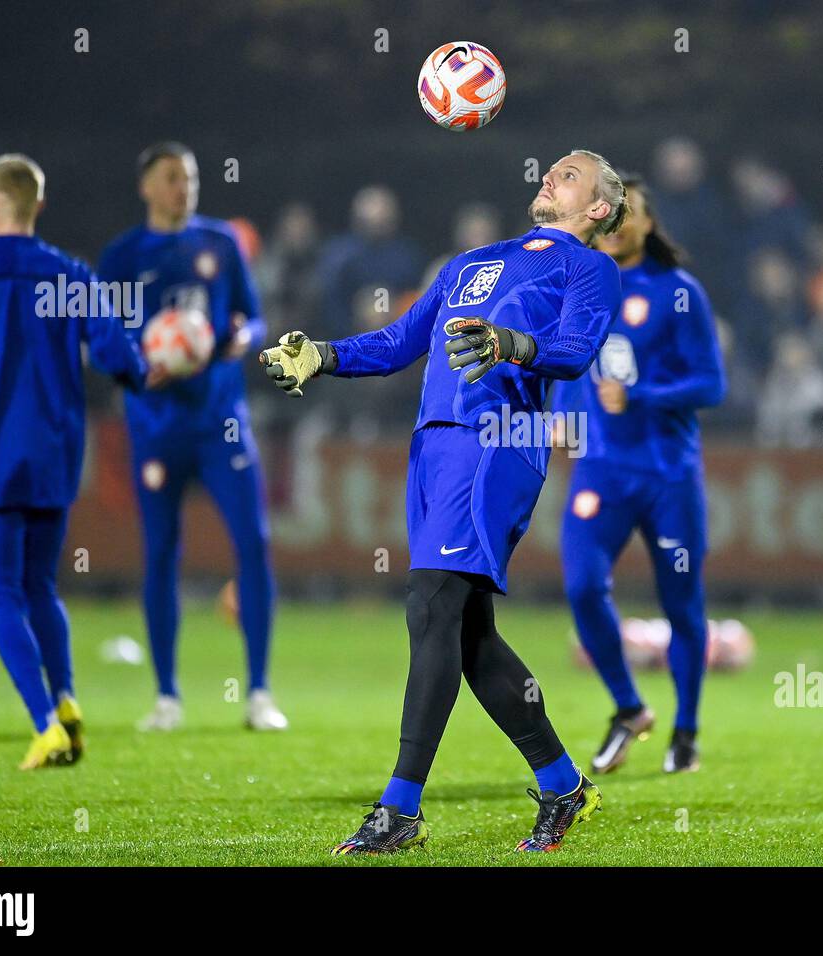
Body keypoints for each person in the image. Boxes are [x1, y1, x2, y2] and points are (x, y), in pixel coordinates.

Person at [260, 149, 627, 854]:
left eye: (571, 175)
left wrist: (510, 343)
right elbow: (401, 342)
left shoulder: (587, 266)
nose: (551, 176)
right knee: (467, 636)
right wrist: (323, 356)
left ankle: (399, 811)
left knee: (431, 606)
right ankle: (563, 785)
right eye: (552, 169)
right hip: (433, 446)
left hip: (496, 442)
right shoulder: (468, 262)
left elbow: (576, 351)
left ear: (598, 209)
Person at [0, 154, 147, 768]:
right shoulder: (69, 274)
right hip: (52, 455)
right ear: (37, 205)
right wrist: (151, 368)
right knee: (41, 586)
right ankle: (67, 700)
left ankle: (45, 724)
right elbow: (118, 356)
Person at [98, 142, 286, 732]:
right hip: (155, 425)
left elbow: (256, 319)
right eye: (173, 178)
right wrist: (136, 366)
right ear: (146, 187)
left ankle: (258, 693)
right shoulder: (124, 255)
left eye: (192, 177)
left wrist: (240, 339)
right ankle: (167, 697)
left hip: (220, 421)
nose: (186, 187)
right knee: (160, 552)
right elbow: (100, 338)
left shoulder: (221, 243)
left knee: (253, 542)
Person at [554, 176, 724, 774]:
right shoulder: (581, 285)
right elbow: (569, 367)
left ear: (649, 224)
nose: (622, 222)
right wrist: (562, 419)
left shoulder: (680, 292)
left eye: (634, 213)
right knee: (580, 587)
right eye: (613, 212)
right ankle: (629, 707)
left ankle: (687, 730)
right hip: (602, 470)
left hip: (668, 476)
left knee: (682, 604)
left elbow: (712, 384)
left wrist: (643, 394)